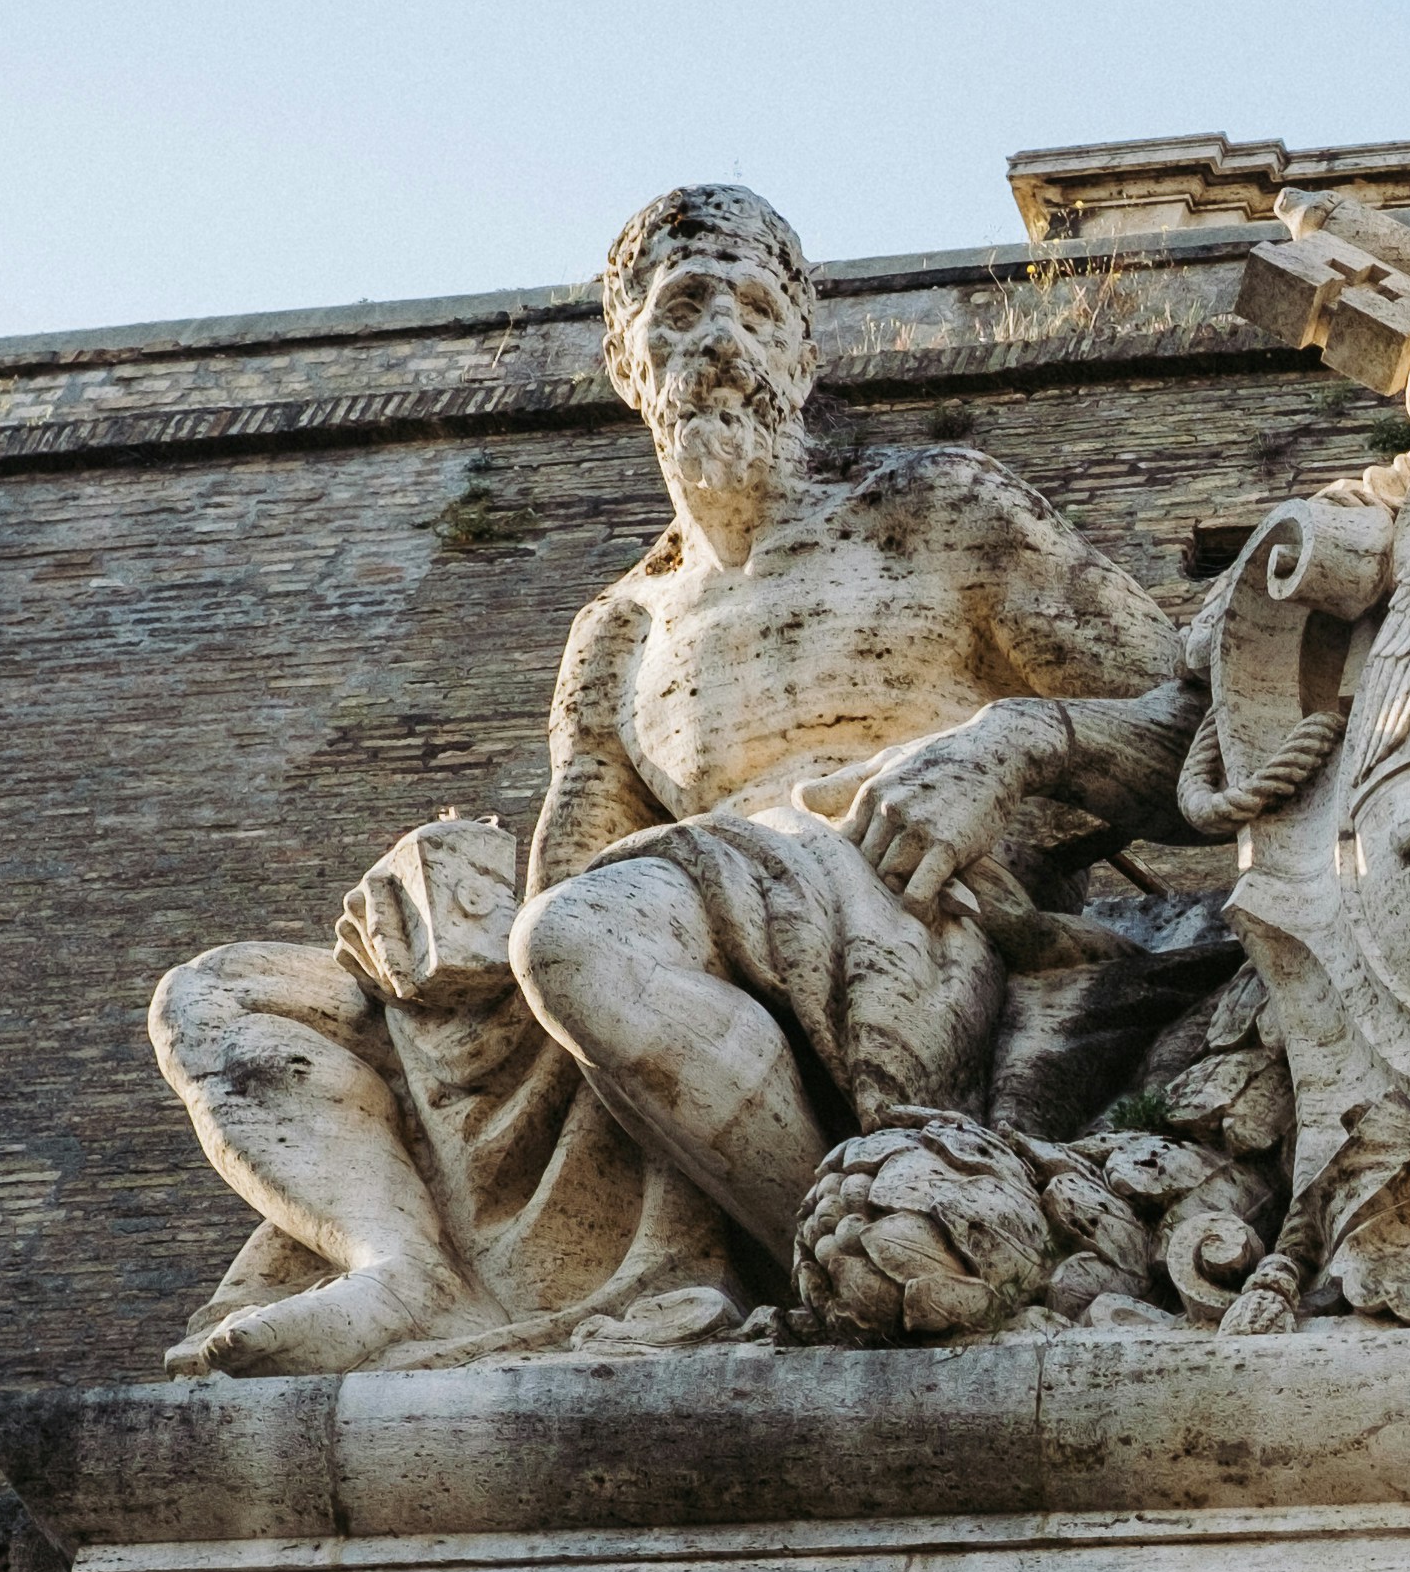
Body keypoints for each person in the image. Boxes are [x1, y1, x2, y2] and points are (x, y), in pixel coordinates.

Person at [145, 186, 1190, 1371]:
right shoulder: (620, 631)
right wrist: (437, 884)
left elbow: (1197, 729)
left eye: (754, 307)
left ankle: (916, 1246)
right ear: (625, 358)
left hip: (903, 912)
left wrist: (1012, 746)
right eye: (684, 306)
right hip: (672, 945)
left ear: (802, 347)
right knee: (227, 999)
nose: (722, 341)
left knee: (582, 944)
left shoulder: (934, 512)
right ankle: (406, 1271)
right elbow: (567, 866)